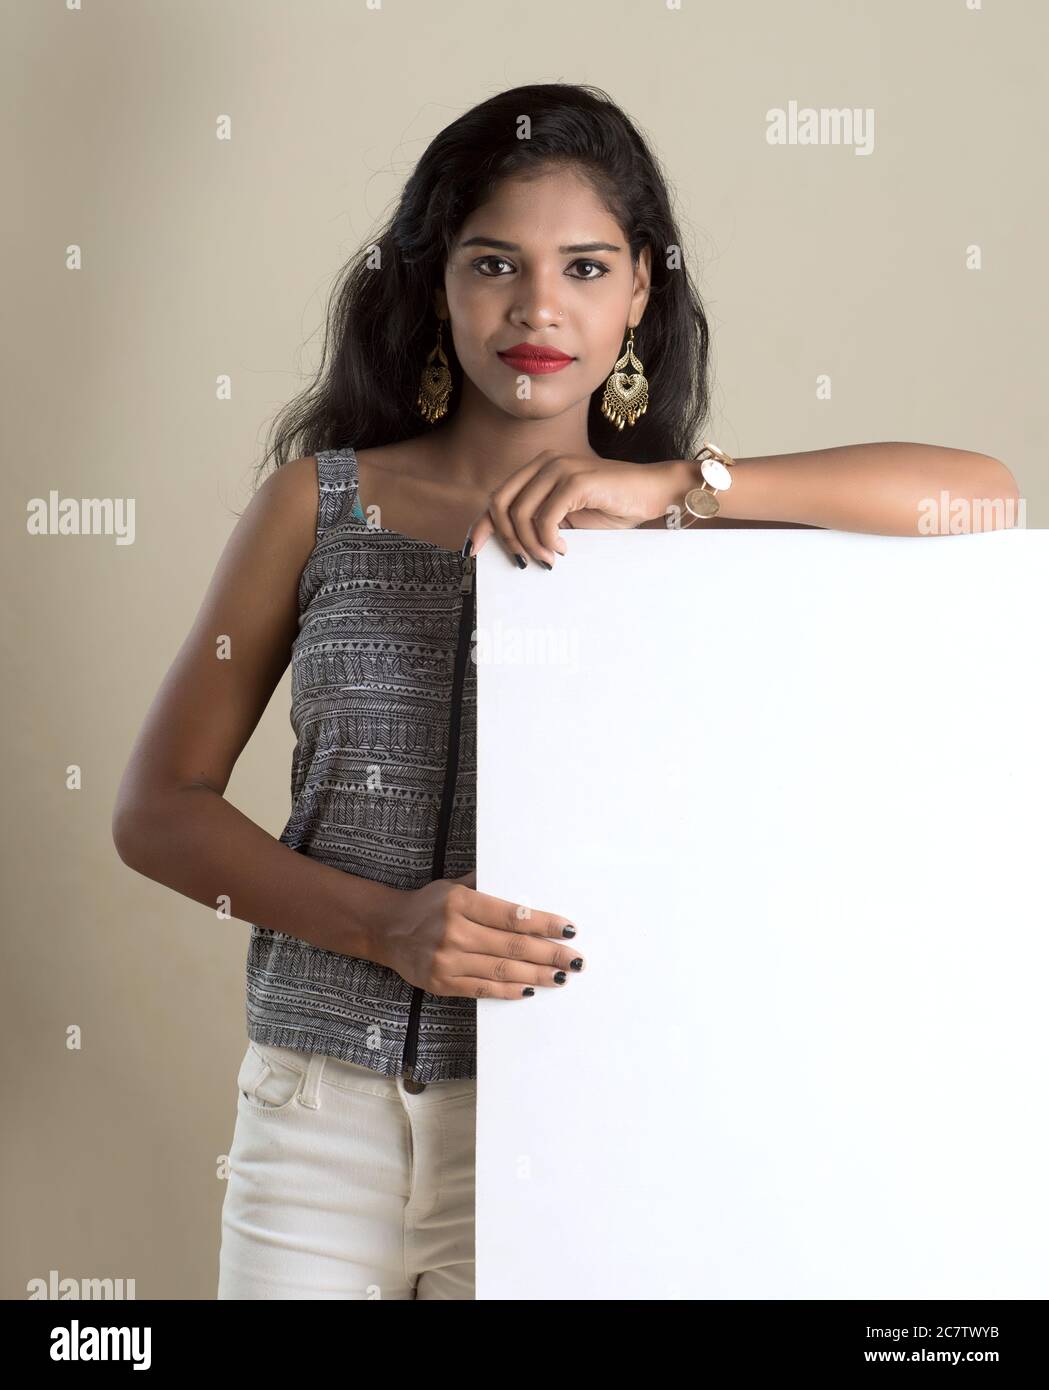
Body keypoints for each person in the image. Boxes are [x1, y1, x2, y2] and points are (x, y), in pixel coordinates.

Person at [111, 81, 1019, 1302]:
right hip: (311, 1114)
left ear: (641, 288)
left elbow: (984, 497)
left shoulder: (676, 533)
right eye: (494, 263)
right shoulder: (319, 505)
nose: (537, 306)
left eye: (585, 267)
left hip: (574, 1116)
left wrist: (679, 487)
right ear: (437, 282)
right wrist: (380, 926)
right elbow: (158, 811)